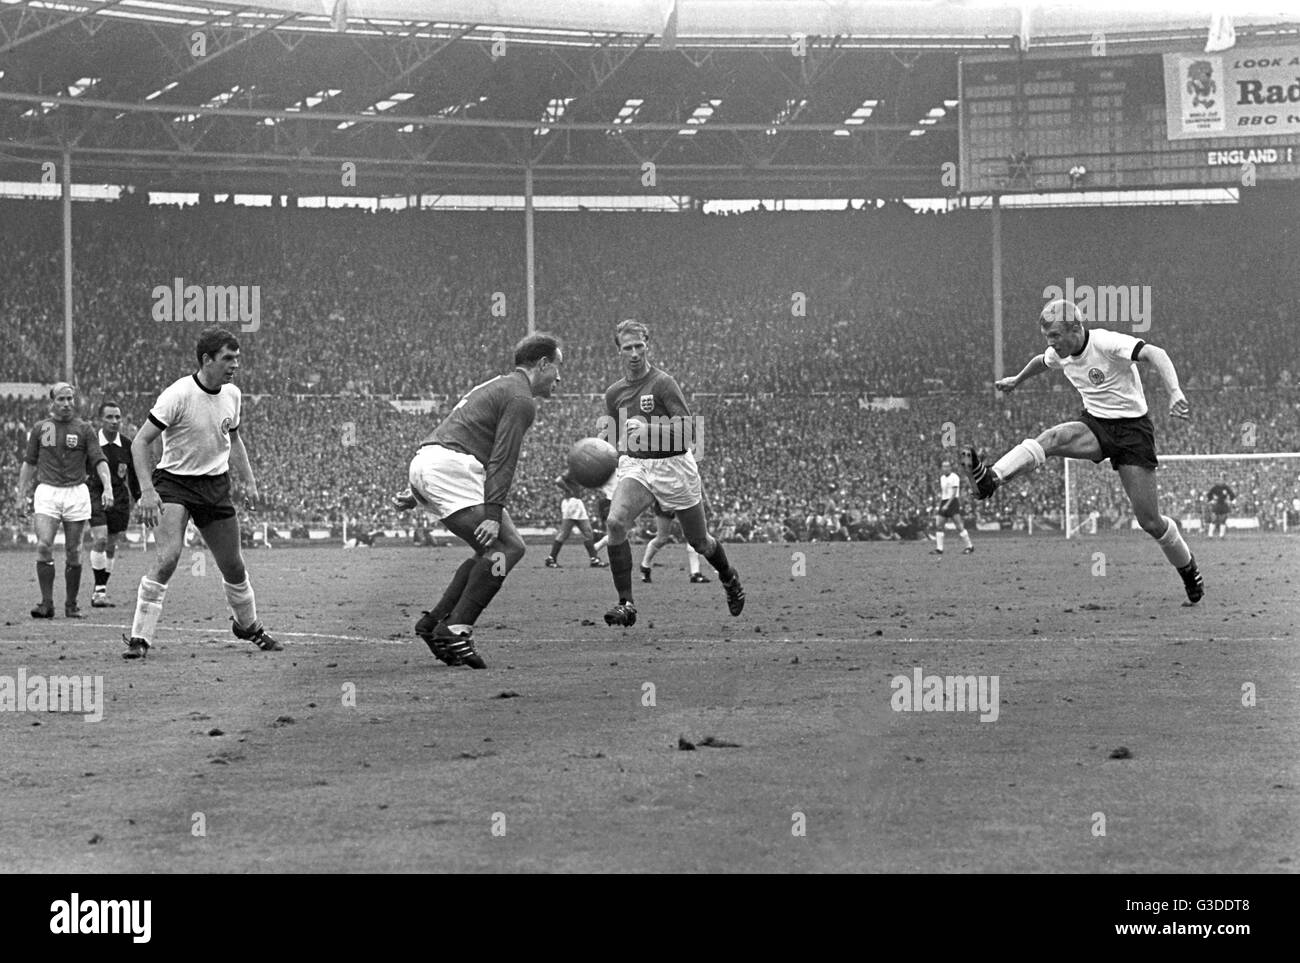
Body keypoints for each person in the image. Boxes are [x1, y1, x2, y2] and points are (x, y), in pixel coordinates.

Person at [961, 299, 1203, 604]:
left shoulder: (1105, 342)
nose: (1051, 344)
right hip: (1096, 426)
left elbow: (1156, 353)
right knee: (1054, 437)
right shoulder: (1059, 352)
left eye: (1055, 336)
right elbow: (1041, 361)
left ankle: (1188, 569)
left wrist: (1175, 391)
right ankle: (991, 478)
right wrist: (1017, 380)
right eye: (1048, 337)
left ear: (1076, 329)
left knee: (1150, 521)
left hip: (1132, 432)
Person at [402, 333, 563, 668]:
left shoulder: (498, 385)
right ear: (543, 364)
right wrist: (493, 512)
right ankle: (457, 628)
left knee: (489, 552)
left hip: (429, 461)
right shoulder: (521, 399)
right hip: (450, 468)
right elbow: (503, 459)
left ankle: (435, 623)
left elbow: (455, 429)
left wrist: (418, 489)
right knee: (510, 548)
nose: (559, 377)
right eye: (557, 367)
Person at [124, 328, 282, 659]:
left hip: (214, 484)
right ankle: (140, 637)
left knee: (234, 566)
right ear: (206, 360)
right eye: (228, 358)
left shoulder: (233, 395)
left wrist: (249, 481)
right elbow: (140, 442)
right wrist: (148, 491)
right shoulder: (177, 394)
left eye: (237, 358)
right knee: (168, 559)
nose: (235, 365)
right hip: (174, 483)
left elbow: (233, 440)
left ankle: (248, 626)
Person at [600, 319, 743, 626]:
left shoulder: (663, 383)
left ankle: (729, 577)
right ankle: (626, 603)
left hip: (674, 466)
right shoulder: (614, 394)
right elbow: (614, 435)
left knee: (700, 542)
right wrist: (598, 448)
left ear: (647, 345)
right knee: (615, 523)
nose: (635, 353)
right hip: (637, 465)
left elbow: (688, 433)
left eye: (640, 346)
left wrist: (647, 428)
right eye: (628, 348)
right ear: (619, 351)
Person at [17, 383, 114, 618]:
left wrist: (108, 487)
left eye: (70, 399)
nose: (67, 403)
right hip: (48, 492)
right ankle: (46, 603)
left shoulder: (85, 429)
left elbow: (99, 460)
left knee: (74, 551)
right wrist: (21, 495)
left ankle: (71, 605)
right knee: (43, 545)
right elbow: (29, 463)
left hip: (75, 492)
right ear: (52, 402)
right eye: (61, 399)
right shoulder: (41, 429)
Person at [87, 401, 141, 607]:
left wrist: (140, 499)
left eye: (117, 417)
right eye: (109, 417)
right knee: (100, 539)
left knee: (111, 545)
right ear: (101, 419)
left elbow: (134, 477)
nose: (114, 421)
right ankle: (99, 591)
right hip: (95, 492)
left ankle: (100, 590)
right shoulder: (91, 443)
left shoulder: (128, 445)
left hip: (119, 497)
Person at [639, 500, 709, 584]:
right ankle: (645, 566)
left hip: (683, 498)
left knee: (693, 535)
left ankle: (695, 573)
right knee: (662, 538)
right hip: (665, 499)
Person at [544, 475, 606, 568]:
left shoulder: (578, 471)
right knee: (564, 533)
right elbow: (558, 480)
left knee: (588, 531)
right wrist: (567, 490)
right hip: (572, 502)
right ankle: (551, 558)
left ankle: (594, 559)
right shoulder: (571, 470)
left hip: (577, 502)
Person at [931, 458, 974, 555]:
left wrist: (947, 505)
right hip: (944, 501)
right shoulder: (942, 478)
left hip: (953, 502)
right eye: (943, 466)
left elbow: (954, 493)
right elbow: (944, 493)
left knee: (959, 526)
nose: (945, 468)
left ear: (950, 467)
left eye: (947, 466)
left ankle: (969, 546)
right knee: (939, 526)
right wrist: (941, 503)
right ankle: (939, 549)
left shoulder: (954, 477)